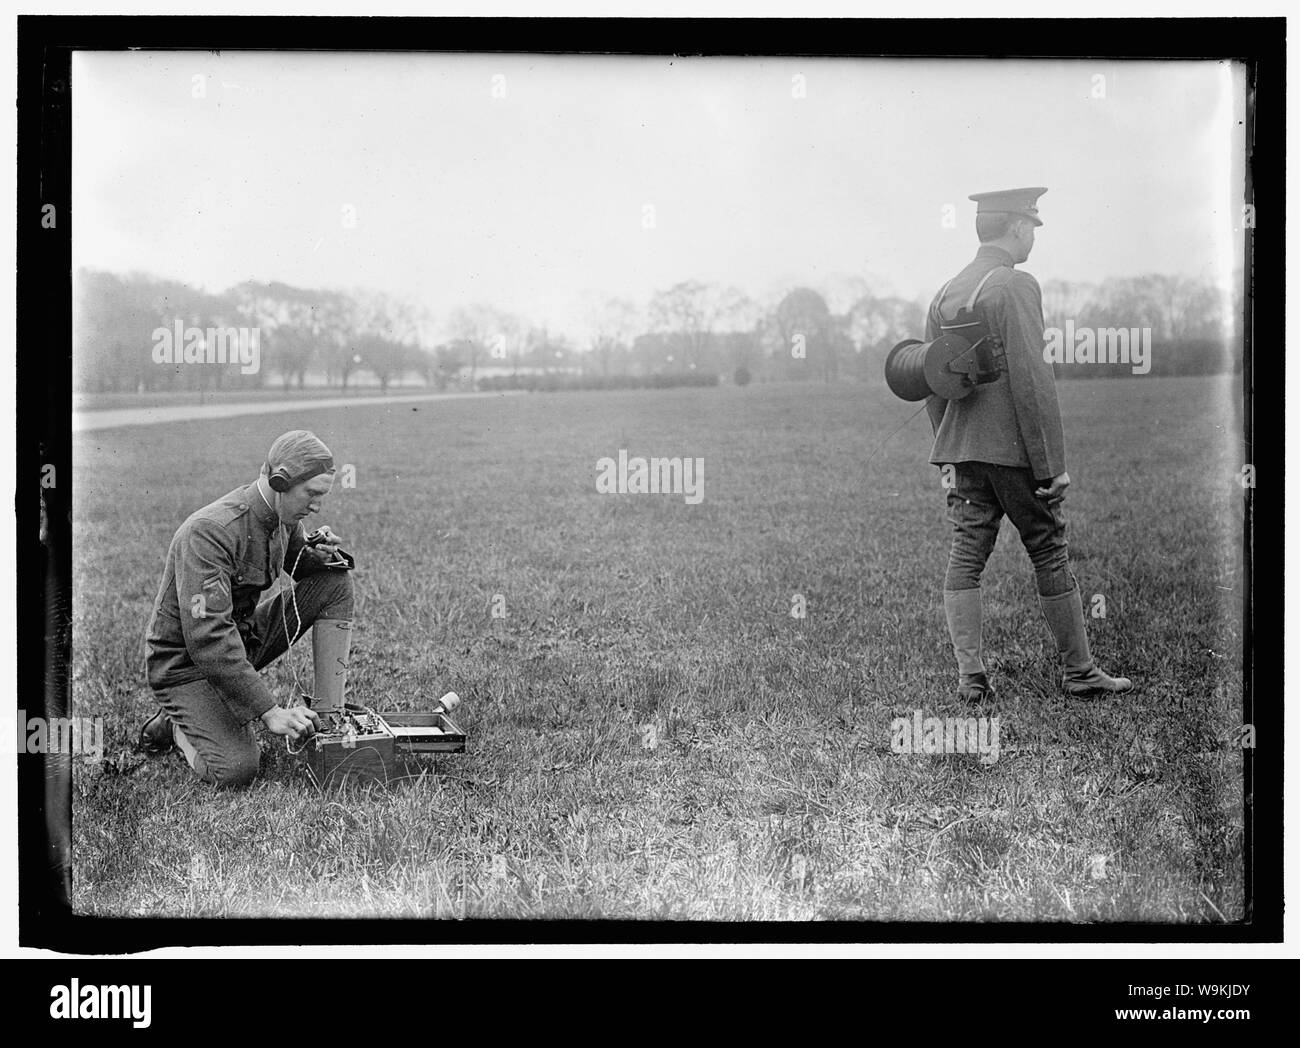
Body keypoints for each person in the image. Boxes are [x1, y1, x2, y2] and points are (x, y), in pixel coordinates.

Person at [925, 187, 1131, 702]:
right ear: (1016, 227)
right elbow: (1032, 378)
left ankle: (971, 679)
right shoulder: (1015, 286)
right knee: (1048, 546)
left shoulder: (945, 291)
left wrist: (948, 446)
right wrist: (1050, 465)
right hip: (1013, 449)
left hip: (962, 448)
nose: (1034, 235)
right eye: (1032, 226)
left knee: (967, 552)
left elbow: (930, 376)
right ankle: (1080, 672)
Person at [137, 430, 355, 787]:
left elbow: (299, 567)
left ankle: (329, 721)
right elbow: (207, 637)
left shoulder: (282, 517)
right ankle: (176, 727)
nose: (317, 506)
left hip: (240, 641)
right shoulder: (209, 532)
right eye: (312, 494)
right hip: (187, 666)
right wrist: (270, 711)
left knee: (334, 584)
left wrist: (318, 557)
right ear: (280, 481)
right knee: (237, 769)